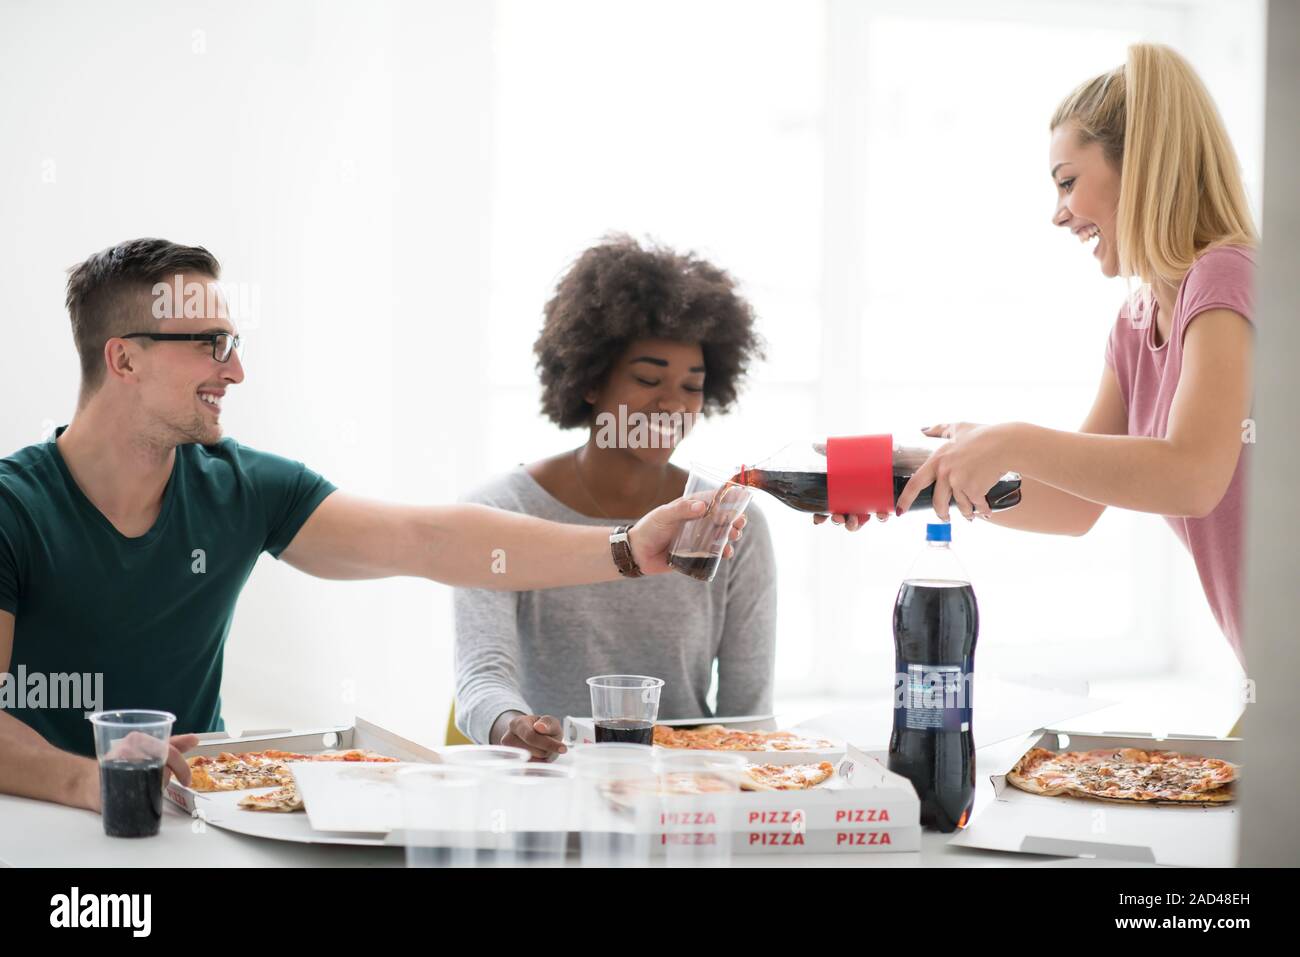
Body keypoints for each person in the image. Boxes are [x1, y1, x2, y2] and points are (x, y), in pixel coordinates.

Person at [0, 238, 745, 810]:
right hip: (38, 829)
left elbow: (429, 538)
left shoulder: (244, 487)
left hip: (187, 824)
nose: (233, 371)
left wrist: (624, 548)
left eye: (234, 345)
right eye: (209, 343)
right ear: (124, 358)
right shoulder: (13, 508)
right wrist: (98, 781)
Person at [827, 45, 1255, 673]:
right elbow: (1072, 505)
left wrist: (1009, 441)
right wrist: (886, 478)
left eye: (1067, 182)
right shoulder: (1135, 326)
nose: (1059, 214)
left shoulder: (1226, 276)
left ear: (1139, 168)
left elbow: (1191, 476)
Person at [454, 236, 775, 759]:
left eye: (692, 387)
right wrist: (515, 727)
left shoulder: (731, 523)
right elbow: (481, 683)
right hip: (547, 785)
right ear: (589, 381)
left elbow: (749, 716)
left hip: (684, 798)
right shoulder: (497, 513)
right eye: (649, 378)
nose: (672, 404)